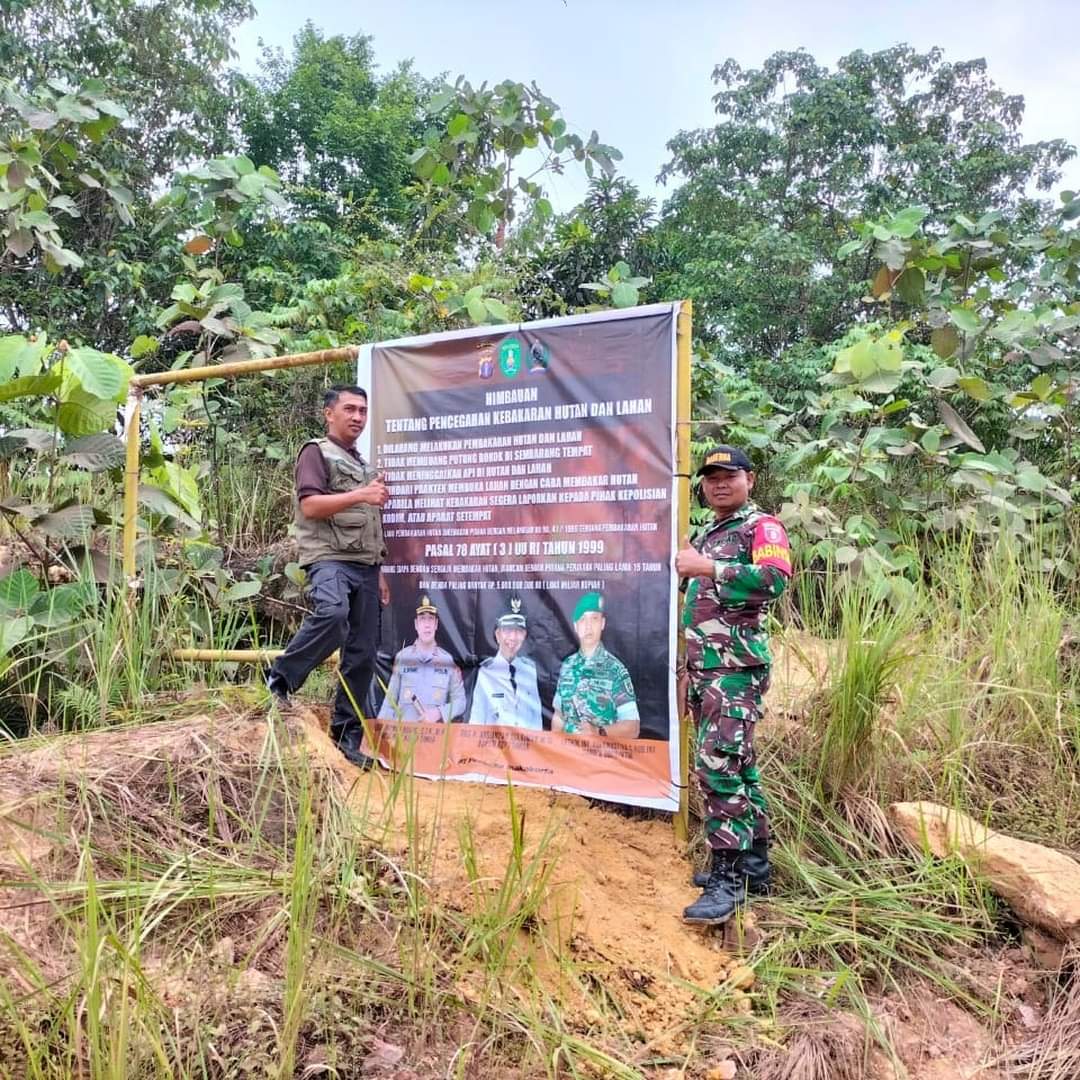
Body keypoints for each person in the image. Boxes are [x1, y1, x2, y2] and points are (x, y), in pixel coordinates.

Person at [675, 444, 792, 925]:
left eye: (729, 475)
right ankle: (754, 867)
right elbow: (697, 606)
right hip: (708, 669)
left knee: (717, 768)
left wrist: (712, 568)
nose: (719, 483)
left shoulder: (760, 528)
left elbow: (774, 579)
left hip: (735, 669)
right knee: (739, 766)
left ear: (750, 479)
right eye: (711, 477)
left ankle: (727, 879)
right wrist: (688, 667)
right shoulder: (708, 533)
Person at [266, 386, 390, 768]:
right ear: (328, 413)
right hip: (330, 559)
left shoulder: (362, 464)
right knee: (333, 615)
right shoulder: (315, 452)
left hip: (366, 567)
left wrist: (379, 571)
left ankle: (347, 737)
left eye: (363, 411)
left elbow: (370, 522)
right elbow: (311, 504)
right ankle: (280, 680)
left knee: (363, 654)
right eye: (349, 409)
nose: (357, 417)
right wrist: (362, 495)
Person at [552, 592, 640, 738]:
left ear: (602, 623)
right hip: (567, 756)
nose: (588, 627)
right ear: (575, 626)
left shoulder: (615, 669)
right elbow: (558, 717)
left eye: (594, 619)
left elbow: (633, 727)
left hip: (601, 758)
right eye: (582, 620)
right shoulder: (567, 665)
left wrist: (599, 732)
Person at [378, 595, 466, 723]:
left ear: (436, 624)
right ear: (416, 624)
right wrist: (380, 736)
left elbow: (460, 702)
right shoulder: (403, 657)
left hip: (434, 738)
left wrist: (439, 712)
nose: (427, 625)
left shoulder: (447, 661)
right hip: (404, 738)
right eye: (422, 619)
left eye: (430, 619)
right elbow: (389, 703)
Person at [468, 595, 543, 729]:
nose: (513, 637)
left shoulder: (530, 670)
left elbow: (536, 720)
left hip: (524, 748)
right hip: (495, 749)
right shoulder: (486, 672)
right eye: (508, 630)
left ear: (524, 635)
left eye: (518, 631)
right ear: (497, 635)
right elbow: (476, 721)